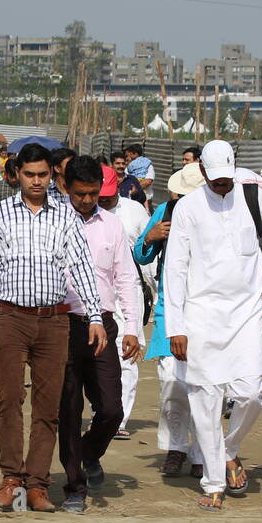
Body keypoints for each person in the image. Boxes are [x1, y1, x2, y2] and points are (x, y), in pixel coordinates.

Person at [0, 143, 105, 514]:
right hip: (11, 318)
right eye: (29, 175)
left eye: (43, 175)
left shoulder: (65, 218)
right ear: (17, 174)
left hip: (55, 321)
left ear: (52, 176)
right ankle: (11, 478)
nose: (36, 181)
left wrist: (95, 315)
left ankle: (38, 484)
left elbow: (80, 268)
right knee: (9, 398)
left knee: (49, 405)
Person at [164, 139, 262, 510]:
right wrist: (177, 326)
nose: (222, 185)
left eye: (226, 179)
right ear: (202, 172)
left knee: (251, 392)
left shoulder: (256, 200)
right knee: (204, 397)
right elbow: (176, 267)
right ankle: (214, 481)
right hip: (200, 312)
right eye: (215, 179)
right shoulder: (187, 207)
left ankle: (230, 447)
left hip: (247, 311)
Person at [57, 157, 142, 512]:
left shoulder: (112, 226)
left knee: (111, 408)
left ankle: (89, 453)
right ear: (66, 188)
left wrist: (133, 328)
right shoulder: (53, 223)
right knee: (70, 408)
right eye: (81, 194)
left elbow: (126, 277)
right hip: (61, 324)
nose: (88, 200)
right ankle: (74, 486)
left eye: (94, 194)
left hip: (104, 324)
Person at [134, 162, 205, 477]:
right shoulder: (164, 210)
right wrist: (151, 236)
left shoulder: (222, 213)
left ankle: (203, 451)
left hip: (208, 308)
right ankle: (176, 448)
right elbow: (140, 255)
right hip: (170, 307)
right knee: (172, 383)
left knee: (207, 384)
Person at [98, 164, 152, 440]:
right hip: (96, 295)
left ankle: (119, 419)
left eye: (108, 195)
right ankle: (103, 410)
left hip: (128, 292)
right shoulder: (83, 213)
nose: (103, 201)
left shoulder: (135, 211)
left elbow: (148, 252)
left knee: (127, 357)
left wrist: (153, 288)